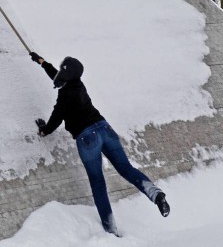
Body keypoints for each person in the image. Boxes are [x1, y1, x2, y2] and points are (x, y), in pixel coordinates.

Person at [30, 52, 170, 236]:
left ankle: (110, 229)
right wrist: (41, 62)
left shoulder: (64, 97)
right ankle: (156, 194)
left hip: (87, 138)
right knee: (126, 169)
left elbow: (55, 120)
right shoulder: (77, 84)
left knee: (98, 183)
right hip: (105, 129)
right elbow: (58, 75)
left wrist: (44, 130)